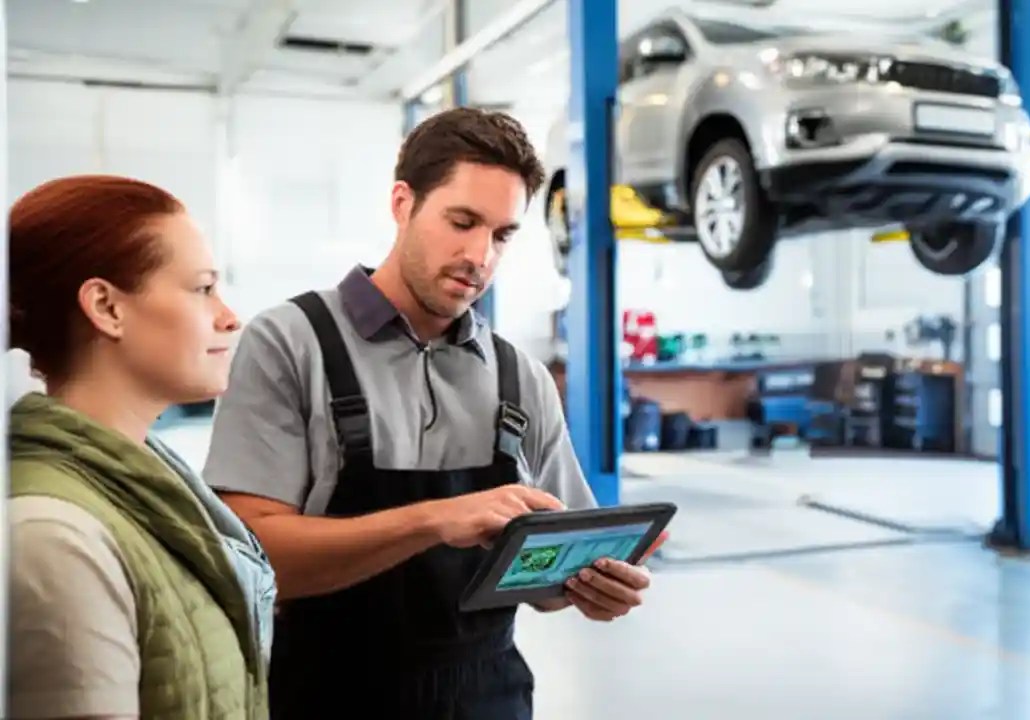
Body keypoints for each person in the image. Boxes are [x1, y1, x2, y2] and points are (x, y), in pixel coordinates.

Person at [203, 107, 656, 719]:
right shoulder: (290, 343)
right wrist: (436, 519)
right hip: (326, 696)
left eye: (502, 235)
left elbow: (547, 577)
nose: (480, 256)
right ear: (401, 203)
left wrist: (589, 587)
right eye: (462, 221)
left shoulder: (521, 377)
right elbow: (251, 556)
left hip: (486, 696)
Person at [6, 175, 277, 719]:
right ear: (107, 307)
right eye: (203, 289)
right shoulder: (55, 536)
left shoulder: (154, 487)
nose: (229, 316)